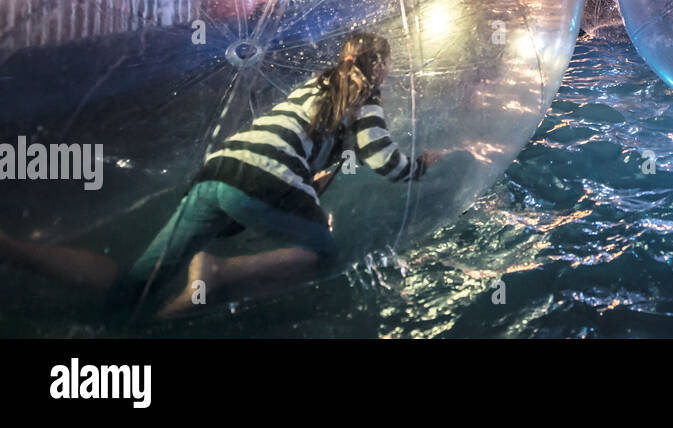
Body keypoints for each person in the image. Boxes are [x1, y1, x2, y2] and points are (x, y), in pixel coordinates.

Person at [0, 31, 442, 318]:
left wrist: (312, 184)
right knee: (326, 254)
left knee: (131, 287)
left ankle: (15, 251)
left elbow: (293, 152)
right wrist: (422, 166)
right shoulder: (365, 97)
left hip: (218, 171)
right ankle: (217, 273)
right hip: (265, 179)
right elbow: (383, 161)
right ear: (378, 66)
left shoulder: (318, 85)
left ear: (344, 55)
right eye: (386, 64)